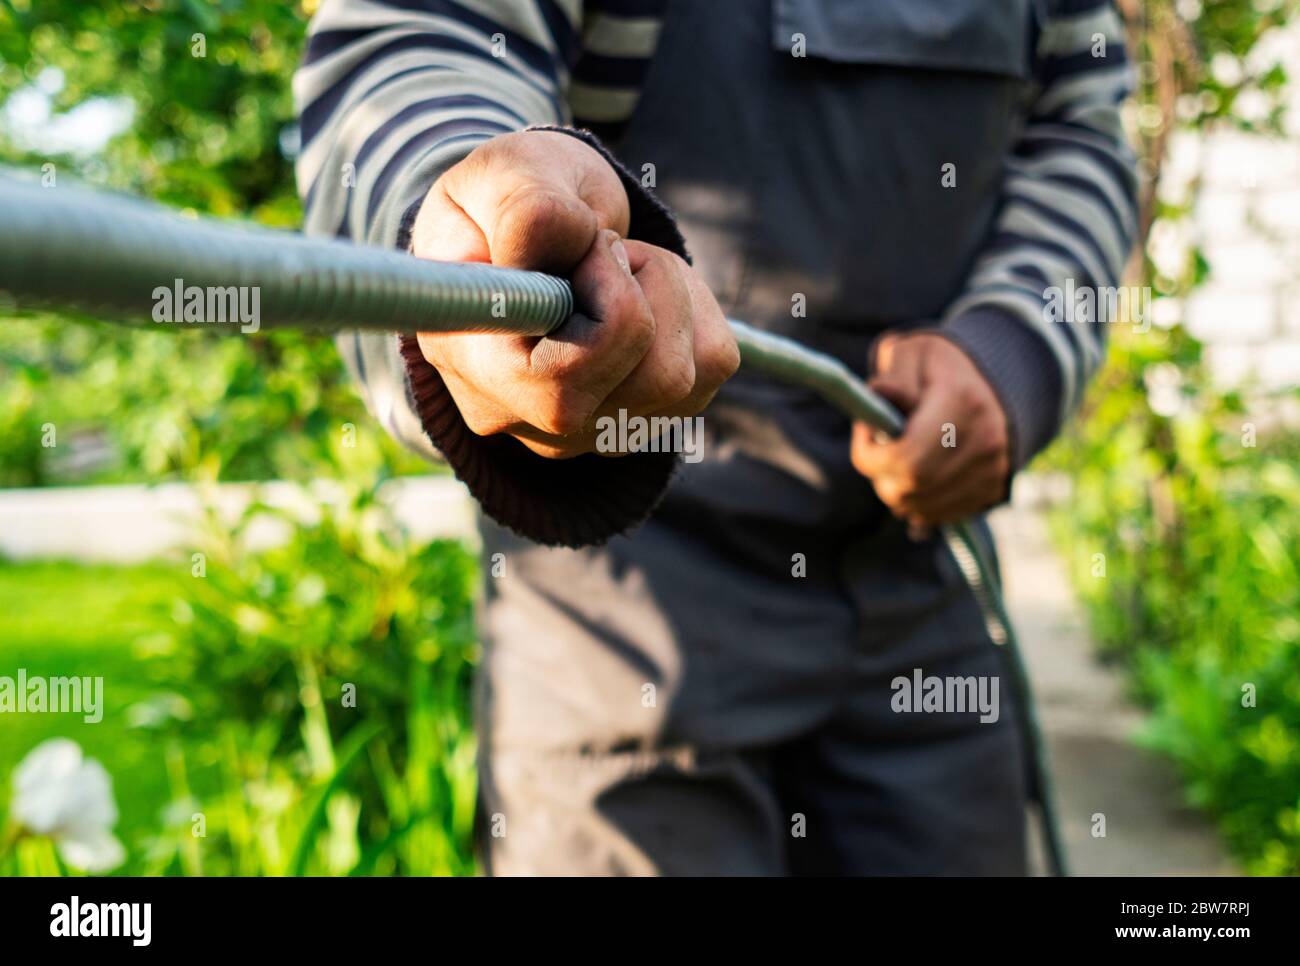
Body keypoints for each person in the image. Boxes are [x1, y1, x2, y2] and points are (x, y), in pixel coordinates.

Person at [294, 0, 1137, 875]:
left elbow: (1081, 129)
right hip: (613, 608)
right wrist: (464, 222)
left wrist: (1013, 349)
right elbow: (423, 36)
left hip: (919, 574)